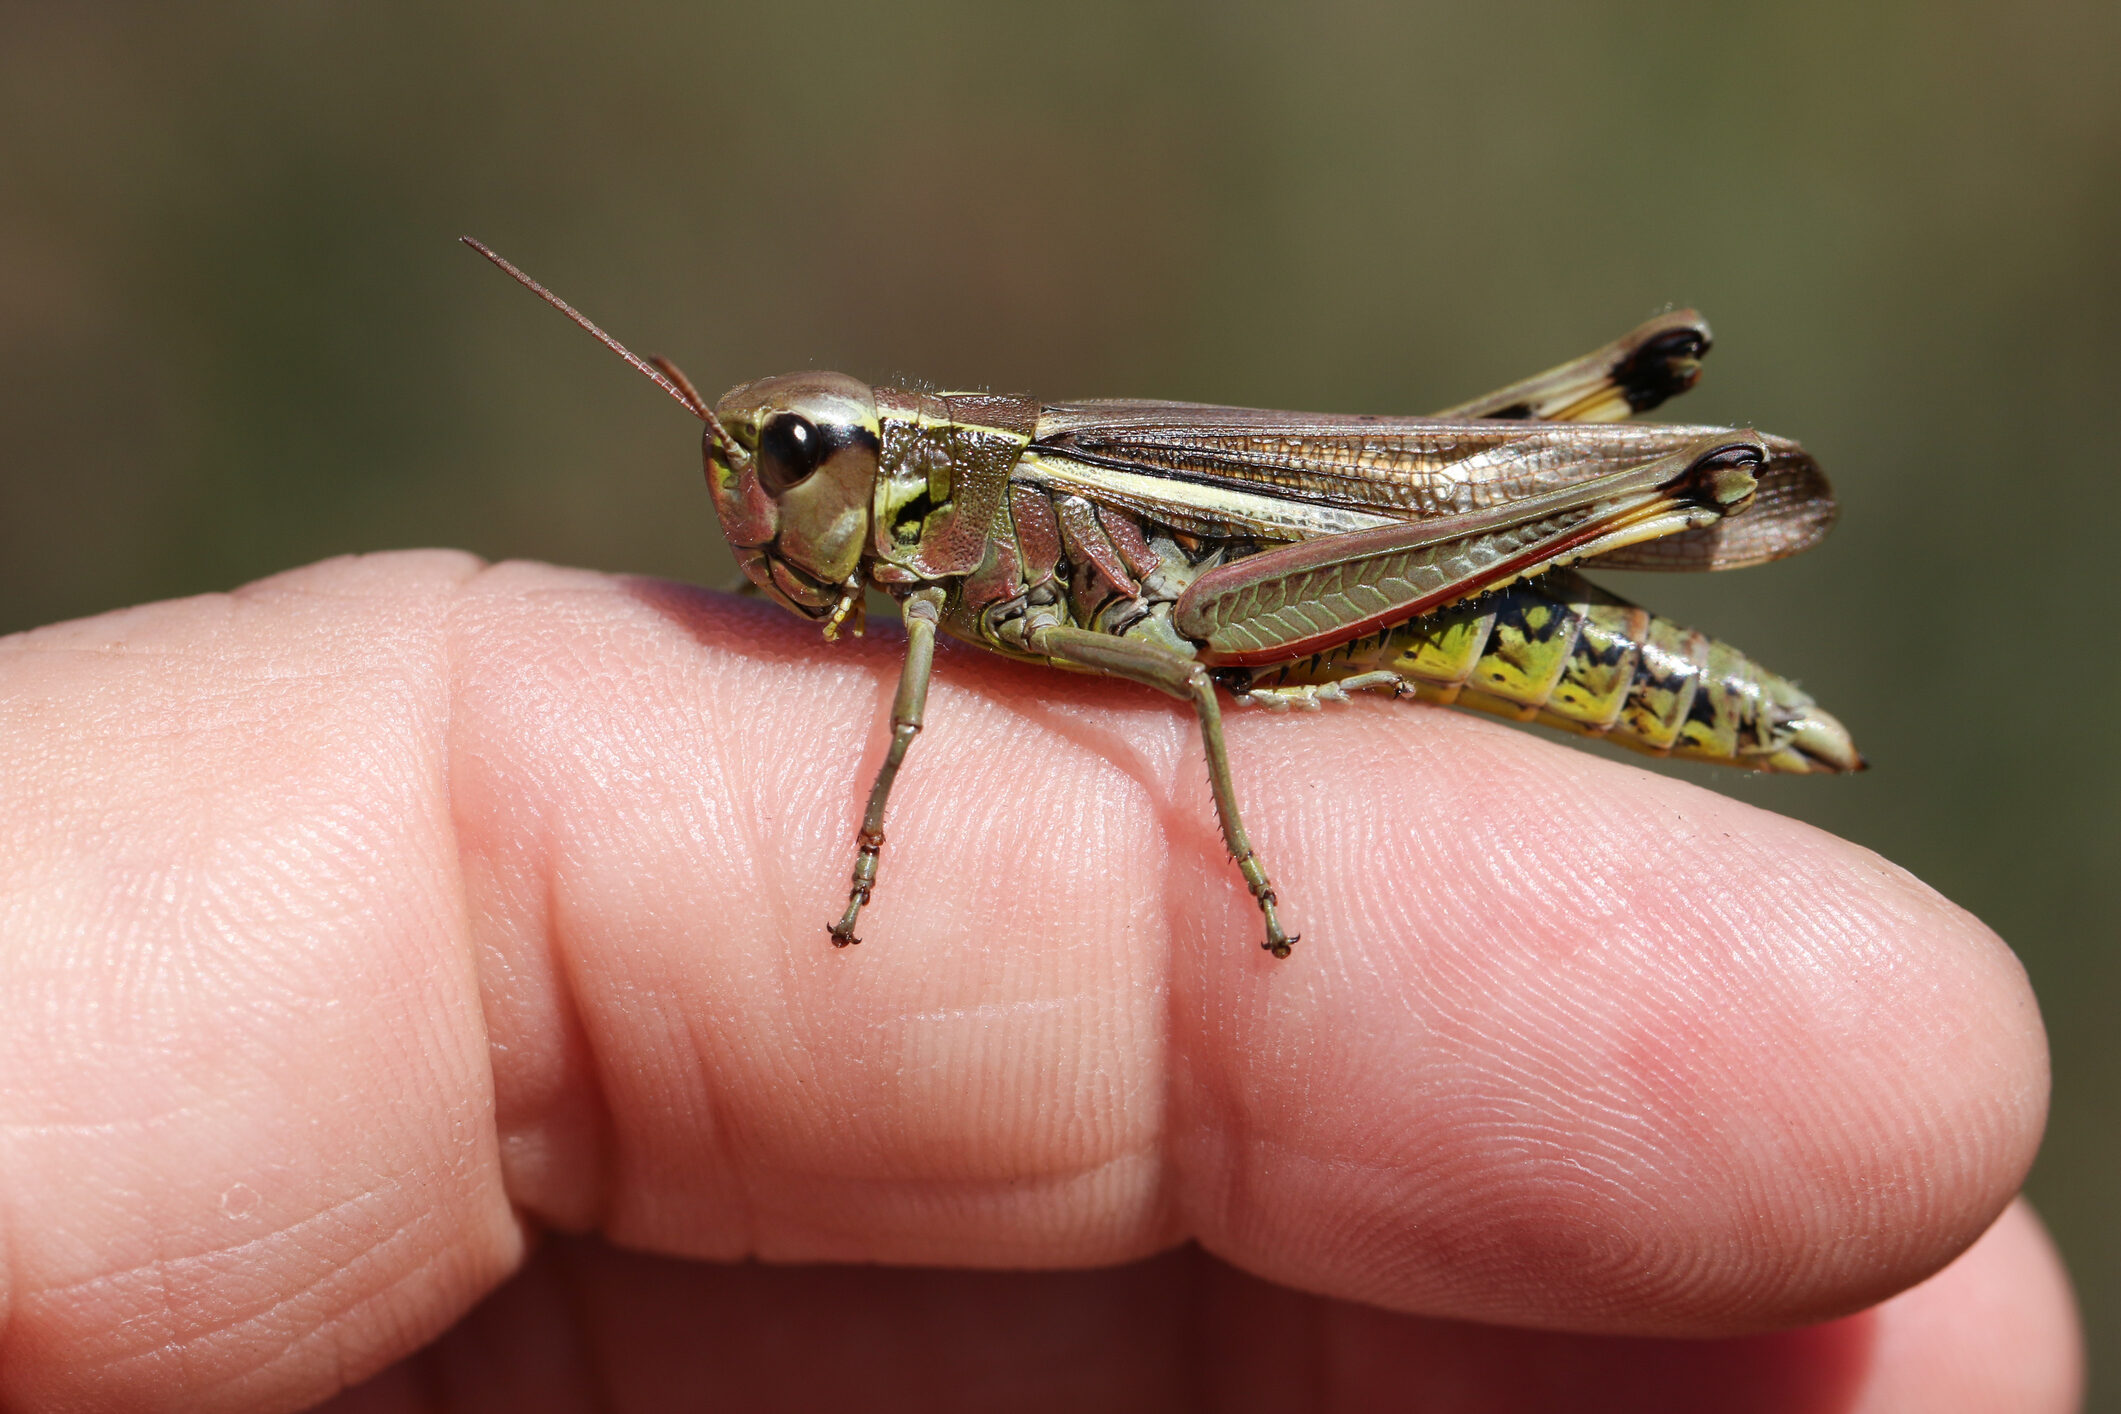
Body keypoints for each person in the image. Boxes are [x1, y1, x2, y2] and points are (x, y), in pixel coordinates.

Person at [0, 552, 2080, 1413]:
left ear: (904, 469)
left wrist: (1227, 865)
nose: (763, 502)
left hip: (1321, 578)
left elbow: (1177, 649)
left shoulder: (995, 532)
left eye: (804, 455)